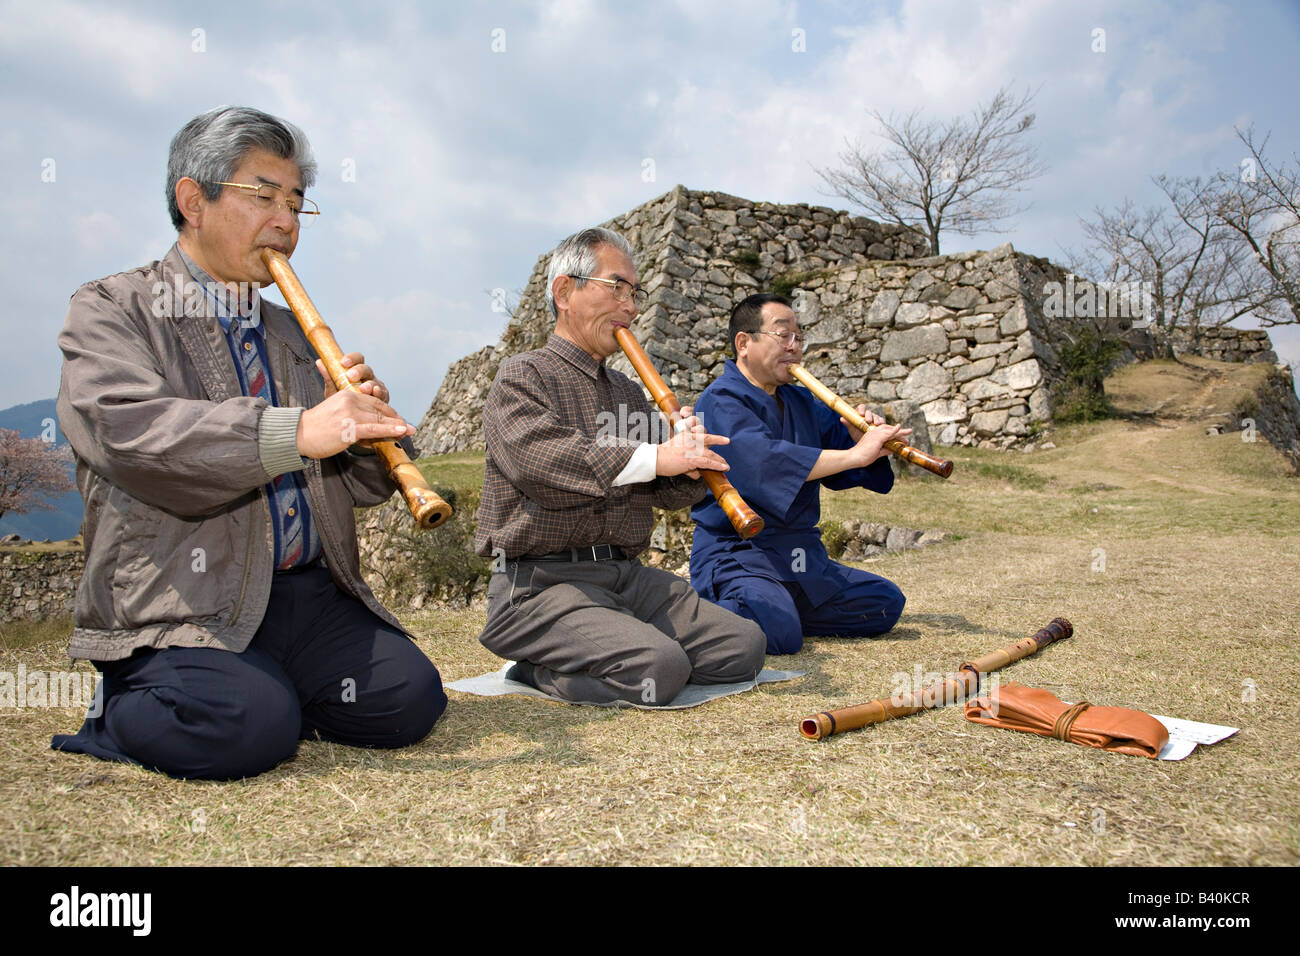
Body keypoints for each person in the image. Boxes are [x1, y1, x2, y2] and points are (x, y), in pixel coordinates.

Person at [51, 106, 446, 780]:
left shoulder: (290, 330)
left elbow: (347, 485)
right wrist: (302, 429)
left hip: (305, 597)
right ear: (192, 201)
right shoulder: (115, 308)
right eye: (263, 196)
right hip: (184, 598)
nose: (287, 221)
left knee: (409, 701)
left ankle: (274, 691)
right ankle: (124, 703)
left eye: (296, 203)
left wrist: (363, 437)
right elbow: (129, 435)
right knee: (247, 727)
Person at [474, 227, 766, 705]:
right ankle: (534, 672)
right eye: (618, 289)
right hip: (540, 584)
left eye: (635, 294)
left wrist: (688, 464)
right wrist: (658, 456)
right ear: (565, 291)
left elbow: (660, 488)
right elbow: (540, 462)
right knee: (660, 667)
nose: (631, 308)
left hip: (624, 576)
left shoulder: (628, 394)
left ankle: (606, 644)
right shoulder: (523, 375)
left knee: (744, 647)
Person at [689, 293, 909, 655]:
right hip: (740, 553)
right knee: (780, 634)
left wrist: (861, 440)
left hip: (800, 556)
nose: (794, 347)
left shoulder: (800, 400)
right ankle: (715, 614)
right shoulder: (719, 401)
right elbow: (763, 465)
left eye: (799, 338)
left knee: (884, 602)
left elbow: (842, 457)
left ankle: (774, 610)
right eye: (783, 336)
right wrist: (855, 455)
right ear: (744, 343)